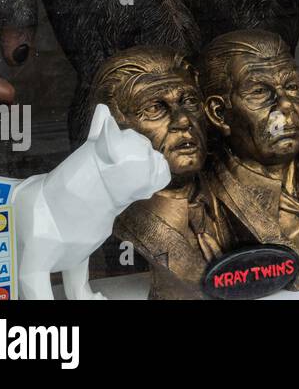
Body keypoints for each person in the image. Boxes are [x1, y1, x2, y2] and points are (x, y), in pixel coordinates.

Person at [198, 30, 299, 289]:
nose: (286, 105)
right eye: (259, 91)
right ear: (219, 114)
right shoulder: (204, 201)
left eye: (291, 87)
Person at [92, 46, 231, 299]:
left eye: (189, 101)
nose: (183, 120)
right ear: (115, 129)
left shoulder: (232, 193)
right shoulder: (111, 218)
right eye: (155, 108)